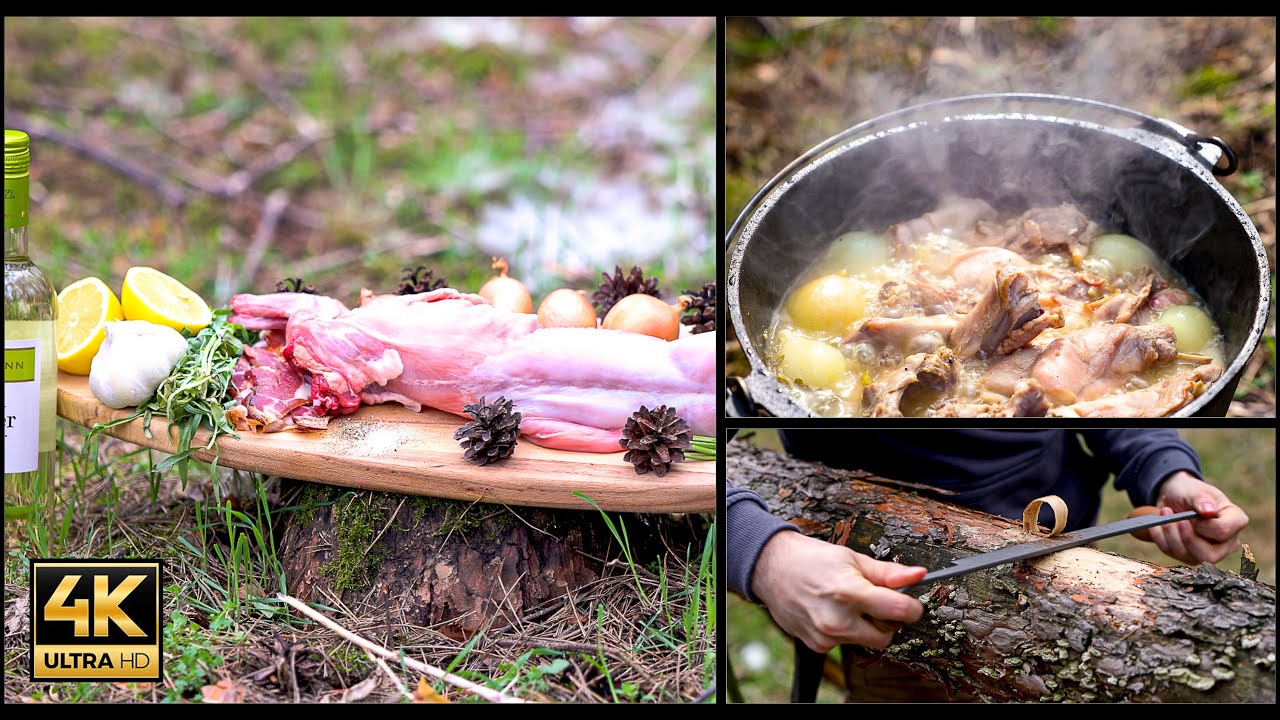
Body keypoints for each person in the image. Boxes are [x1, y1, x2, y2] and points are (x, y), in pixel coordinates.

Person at [727, 429, 1251, 656]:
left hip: (1063, 565)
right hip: (868, 596)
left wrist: (1162, 467)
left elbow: (1104, 392)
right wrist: (762, 553)